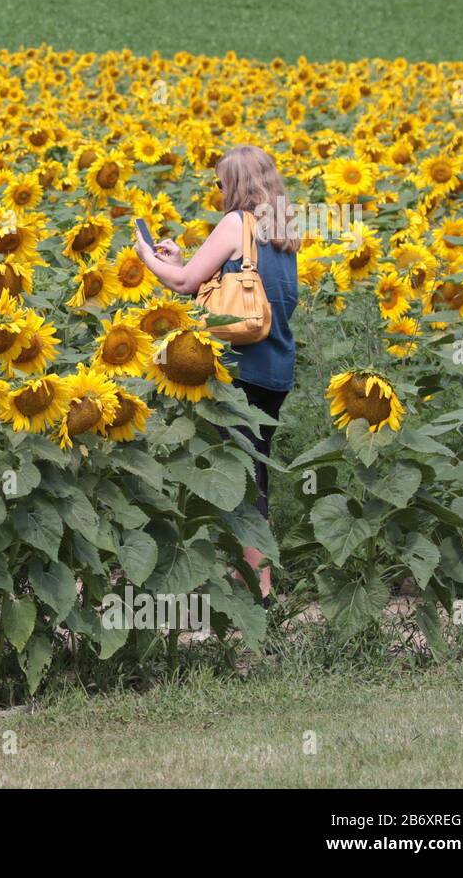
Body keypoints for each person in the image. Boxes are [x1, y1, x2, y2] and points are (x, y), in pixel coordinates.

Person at [134, 145, 300, 604]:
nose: (219, 189)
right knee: (256, 474)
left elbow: (186, 284)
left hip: (241, 371)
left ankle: (255, 591)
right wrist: (183, 255)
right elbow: (238, 284)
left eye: (222, 181)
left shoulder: (236, 223)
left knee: (241, 484)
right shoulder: (281, 229)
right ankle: (257, 581)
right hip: (276, 369)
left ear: (238, 184)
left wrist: (150, 257)